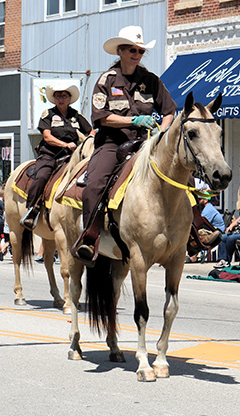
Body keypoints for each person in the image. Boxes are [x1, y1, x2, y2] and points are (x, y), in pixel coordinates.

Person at [74, 26, 176, 264]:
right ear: (120, 51)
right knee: (95, 184)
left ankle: (194, 228)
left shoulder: (151, 80)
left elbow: (170, 110)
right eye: (132, 49)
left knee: (181, 176)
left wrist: (161, 133)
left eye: (140, 50)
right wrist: (133, 119)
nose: (137, 54)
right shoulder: (106, 80)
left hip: (145, 143)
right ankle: (89, 236)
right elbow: (100, 117)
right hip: (112, 142)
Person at [21, 83, 92, 229]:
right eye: (58, 96)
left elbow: (91, 131)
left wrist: (88, 141)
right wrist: (64, 144)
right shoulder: (48, 115)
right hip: (50, 155)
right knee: (42, 176)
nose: (61, 99)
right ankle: (32, 209)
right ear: (54, 98)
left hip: (72, 156)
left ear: (69, 98)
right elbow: (47, 137)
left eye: (64, 96)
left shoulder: (76, 116)